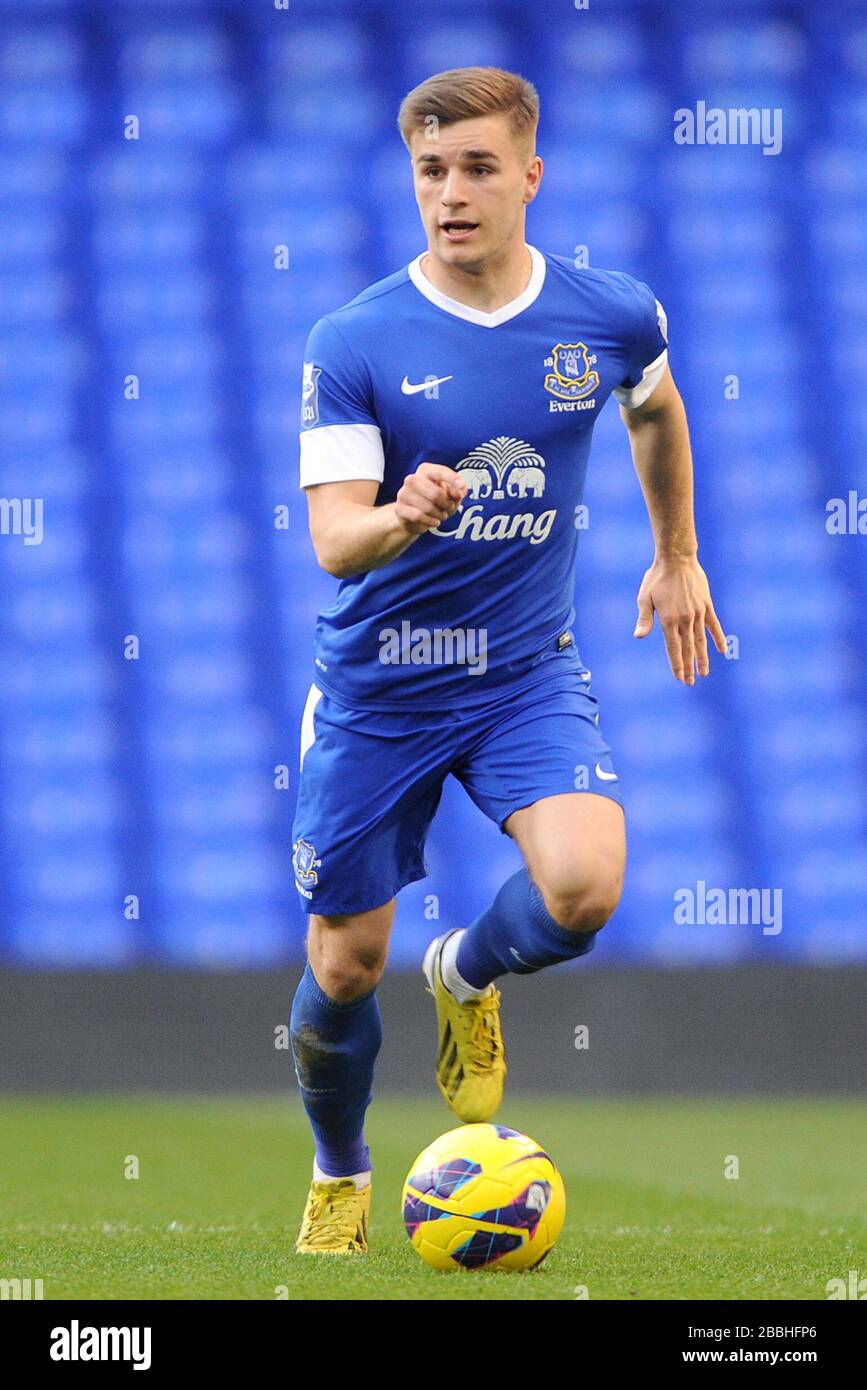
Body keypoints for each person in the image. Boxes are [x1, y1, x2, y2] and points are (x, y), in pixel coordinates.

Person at [290, 66, 726, 1254]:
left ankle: (464, 972)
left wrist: (677, 554)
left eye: (478, 167)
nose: (452, 192)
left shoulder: (607, 313)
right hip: (380, 688)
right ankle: (341, 1166)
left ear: (531, 176)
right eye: (432, 170)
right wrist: (402, 515)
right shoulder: (357, 339)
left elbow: (656, 408)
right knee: (340, 969)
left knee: (585, 887)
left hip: (524, 671)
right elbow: (336, 541)